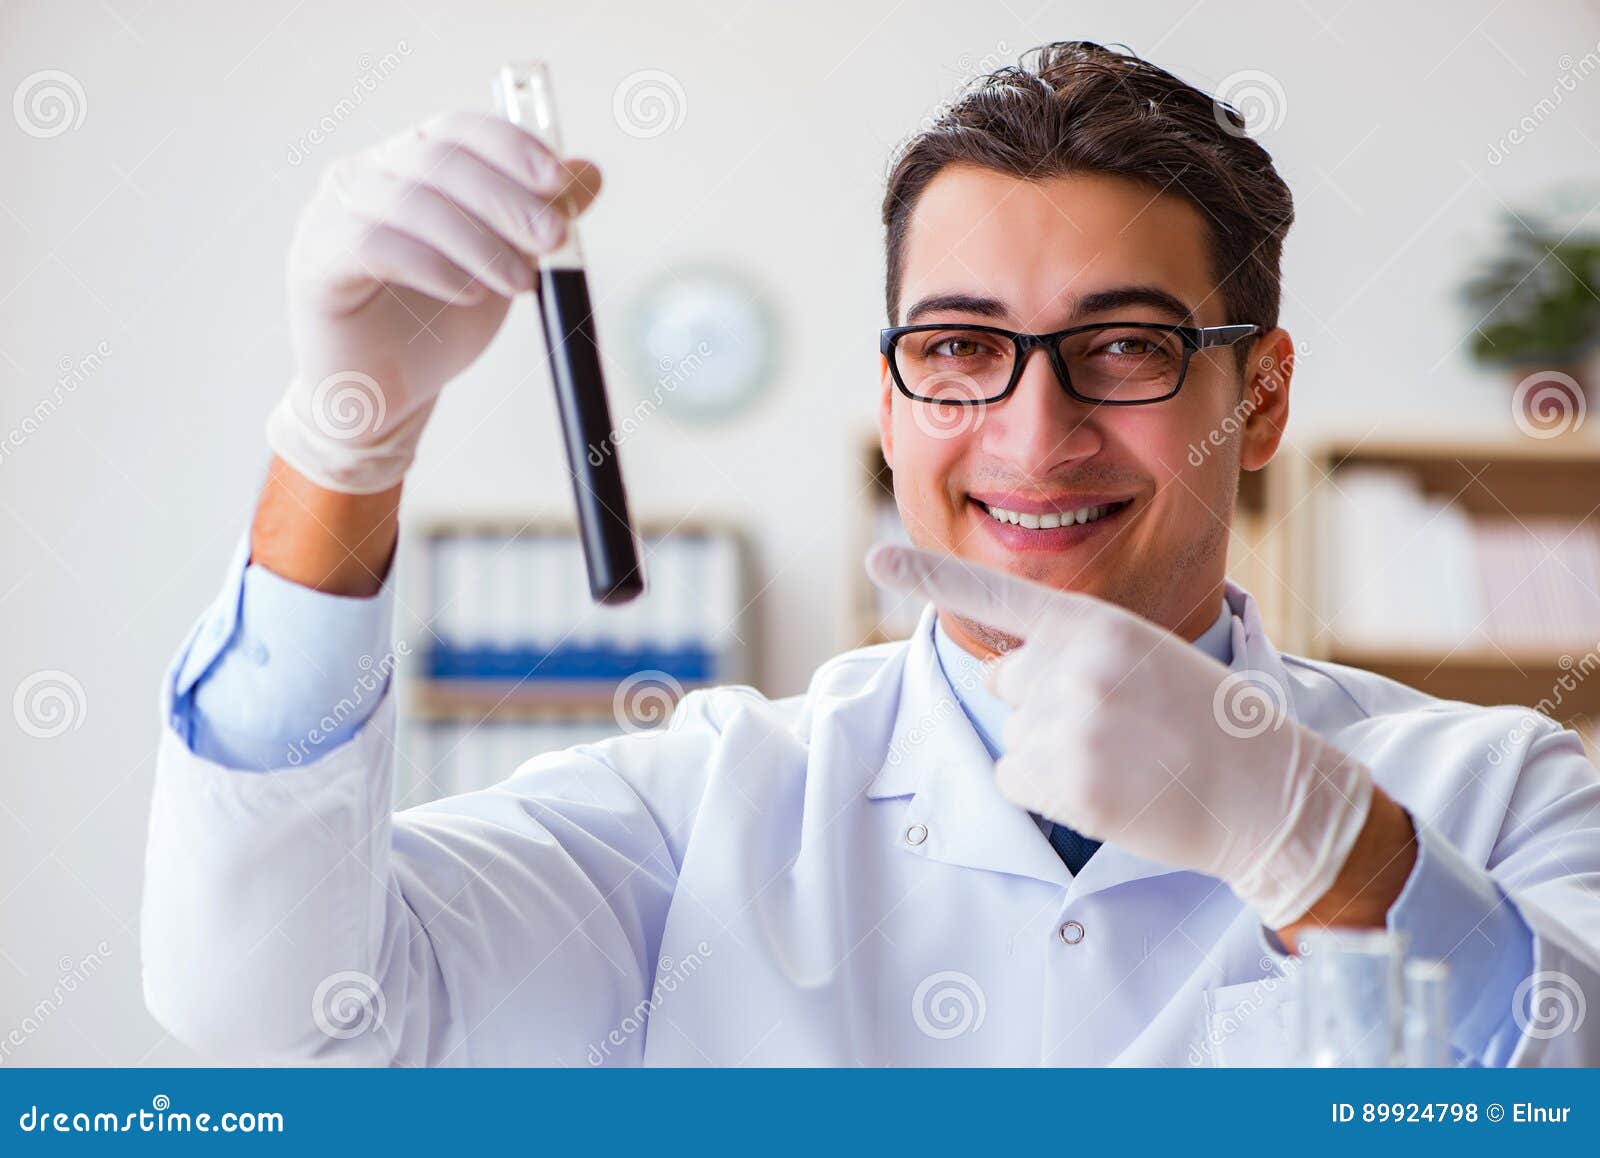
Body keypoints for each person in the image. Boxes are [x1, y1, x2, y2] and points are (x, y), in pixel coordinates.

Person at [142, 41, 1600, 1066]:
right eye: (961, 348)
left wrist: (1330, 857)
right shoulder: (692, 819)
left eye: (1125, 347)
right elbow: (275, 1005)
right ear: (896, 403)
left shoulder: (1499, 798)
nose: (1038, 437)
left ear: (1261, 395)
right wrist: (345, 440)